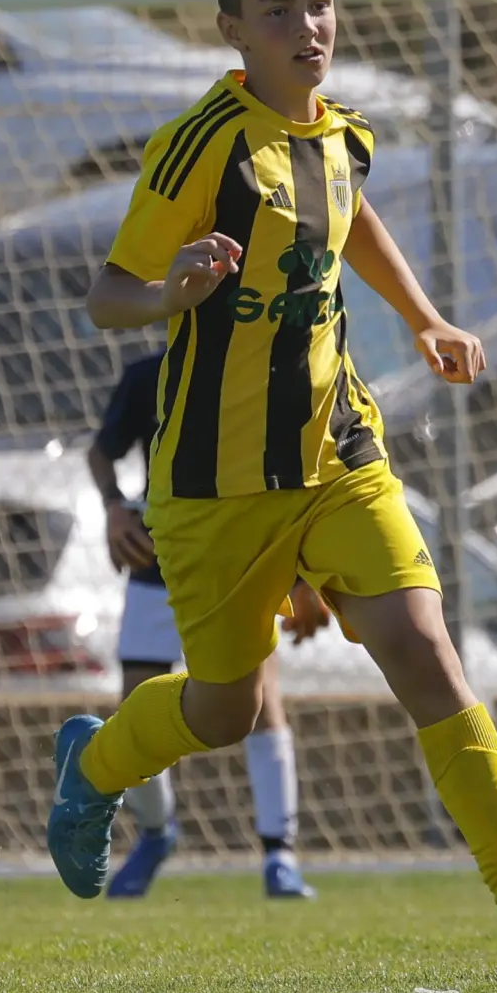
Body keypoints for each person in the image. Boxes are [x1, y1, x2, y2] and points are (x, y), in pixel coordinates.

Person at [45, 0, 497, 978]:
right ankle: (99, 759)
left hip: (339, 454)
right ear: (229, 30)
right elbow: (108, 294)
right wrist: (172, 290)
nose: (308, 29)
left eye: (317, 6)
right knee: (226, 710)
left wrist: (428, 318)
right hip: (215, 483)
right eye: (277, 12)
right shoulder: (199, 145)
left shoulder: (344, 139)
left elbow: (351, 222)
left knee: (428, 653)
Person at [88, 347, 327, 900]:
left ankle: (279, 854)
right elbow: (101, 454)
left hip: (242, 559)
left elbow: (300, 476)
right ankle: (155, 834)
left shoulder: (265, 368)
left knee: (261, 697)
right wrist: (114, 506)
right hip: (161, 558)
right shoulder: (150, 374)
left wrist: (304, 573)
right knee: (136, 705)